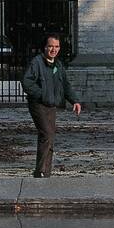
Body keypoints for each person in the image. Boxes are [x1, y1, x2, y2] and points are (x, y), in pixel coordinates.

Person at [21, 32, 81, 178]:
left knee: (50, 138)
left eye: (56, 46)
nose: (53, 49)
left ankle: (46, 172)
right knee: (46, 134)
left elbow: (66, 85)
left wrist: (75, 101)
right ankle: (40, 171)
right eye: (50, 46)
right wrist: (42, 95)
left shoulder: (58, 65)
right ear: (44, 47)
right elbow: (27, 82)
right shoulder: (37, 62)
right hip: (38, 105)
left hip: (52, 105)